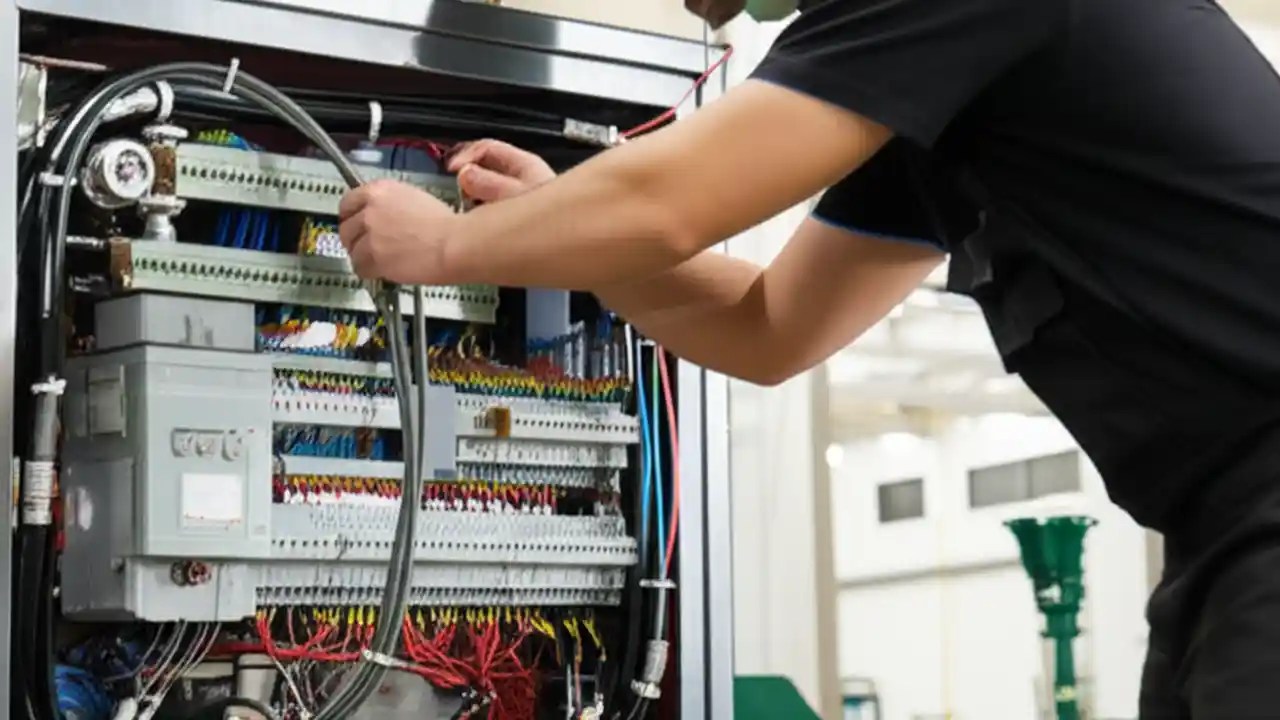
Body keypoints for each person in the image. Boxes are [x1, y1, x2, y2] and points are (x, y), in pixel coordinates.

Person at [337, 0, 1280, 715]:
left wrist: (449, 250)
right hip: (1218, 532)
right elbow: (770, 324)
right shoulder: (937, 81)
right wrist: (551, 222)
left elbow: (673, 205)